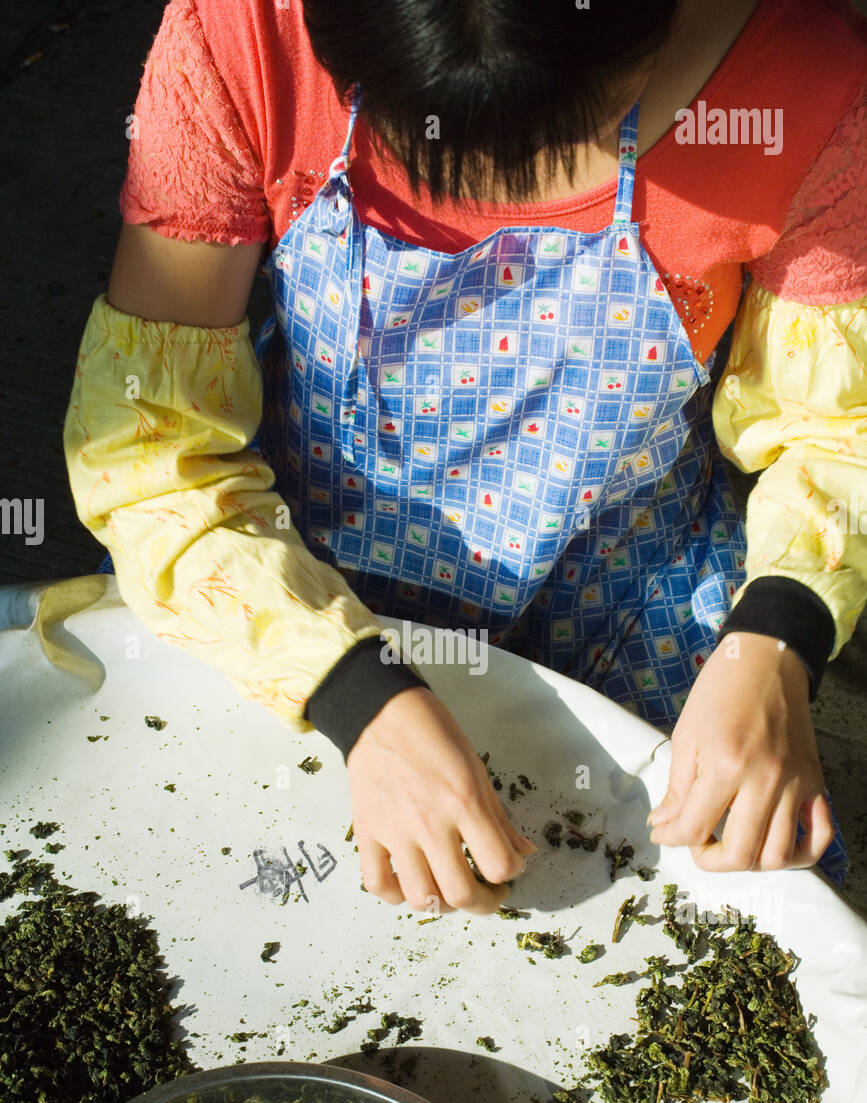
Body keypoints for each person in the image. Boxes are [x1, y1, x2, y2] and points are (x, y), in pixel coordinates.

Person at [64, 0, 867, 914]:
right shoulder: (242, 31)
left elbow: (840, 437)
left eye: (565, 142)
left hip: (622, 598)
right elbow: (150, 447)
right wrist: (351, 692)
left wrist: (775, 639)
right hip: (285, 574)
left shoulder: (801, 92)